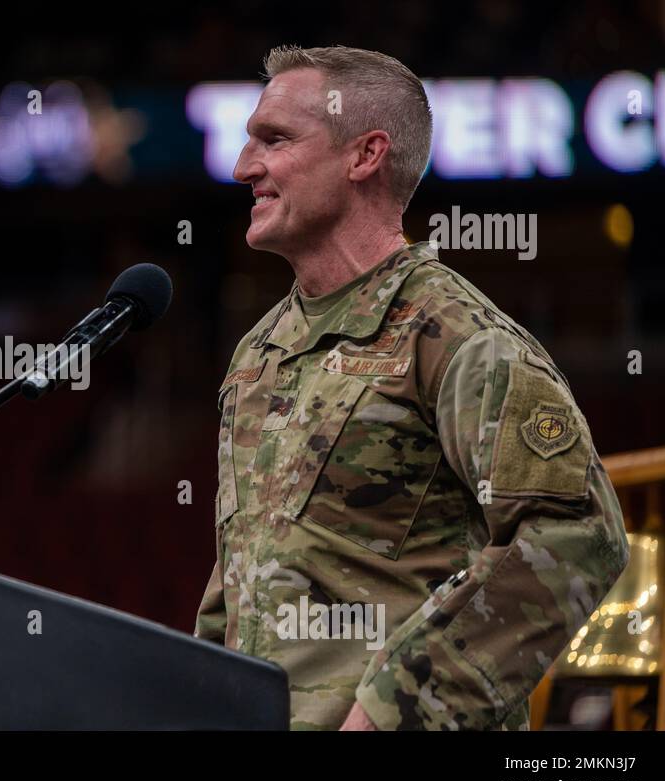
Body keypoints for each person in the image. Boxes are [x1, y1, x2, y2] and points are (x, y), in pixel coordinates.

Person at [193, 45, 629, 730]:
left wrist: (393, 710)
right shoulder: (259, 352)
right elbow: (241, 584)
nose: (244, 166)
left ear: (363, 156)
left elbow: (578, 533)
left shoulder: (454, 333)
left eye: (273, 140)